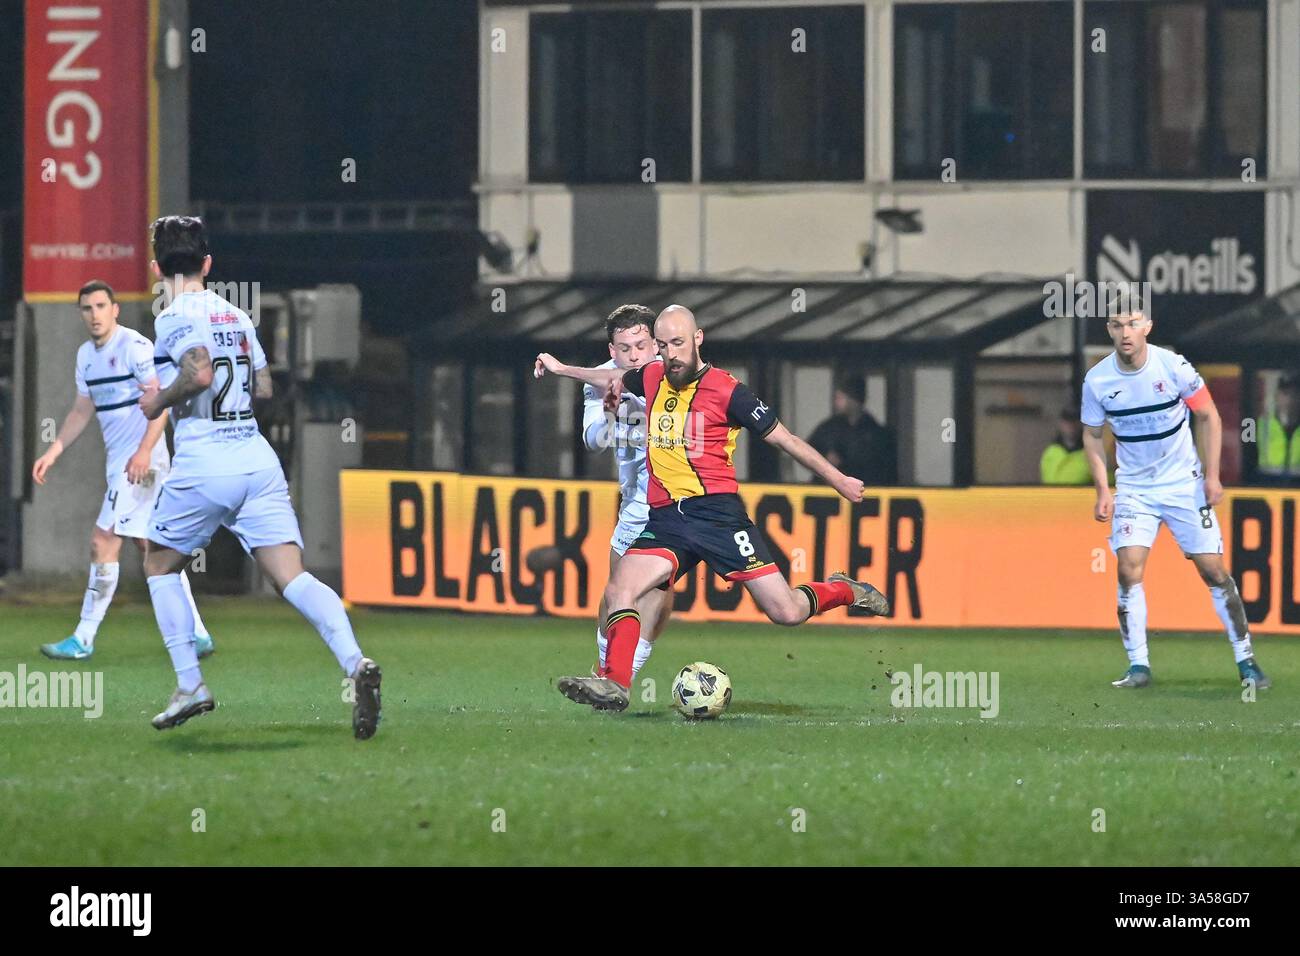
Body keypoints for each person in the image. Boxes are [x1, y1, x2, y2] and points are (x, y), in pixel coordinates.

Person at [537, 305, 891, 713]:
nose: (671, 354)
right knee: (620, 588)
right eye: (665, 345)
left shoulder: (729, 390)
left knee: (787, 611)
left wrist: (839, 480)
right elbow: (610, 376)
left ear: (698, 339)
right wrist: (563, 369)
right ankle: (615, 684)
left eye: (678, 343)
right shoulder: (652, 377)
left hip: (719, 518)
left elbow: (786, 439)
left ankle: (845, 589)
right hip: (668, 519)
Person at [137, 215, 382, 736]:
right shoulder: (237, 315)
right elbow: (265, 387)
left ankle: (190, 685)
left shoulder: (173, 314)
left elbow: (199, 371)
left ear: (158, 267)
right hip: (254, 455)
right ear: (208, 263)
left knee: (158, 564)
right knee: (292, 576)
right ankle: (356, 662)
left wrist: (156, 399)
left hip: (206, 458)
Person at [1081, 307, 1268, 690]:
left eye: (1133, 323)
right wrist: (1104, 489)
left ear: (1147, 326)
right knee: (1128, 568)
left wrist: (1212, 477)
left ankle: (1247, 660)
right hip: (1134, 487)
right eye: (1117, 325)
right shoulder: (1097, 380)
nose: (1125, 332)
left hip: (1183, 484)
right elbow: (1092, 435)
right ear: (1109, 330)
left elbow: (1209, 416)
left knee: (1213, 571)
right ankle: (1138, 666)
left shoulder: (1173, 367)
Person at [31, 279, 212, 661]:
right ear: (81, 314)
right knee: (151, 547)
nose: (94, 315)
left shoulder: (135, 347)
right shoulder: (85, 357)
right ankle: (197, 632)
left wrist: (145, 452)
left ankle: (83, 638)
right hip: (122, 464)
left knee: (102, 541)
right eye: (87, 308)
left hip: (142, 465)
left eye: (101, 306)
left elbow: (160, 403)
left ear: (114, 310)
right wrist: (54, 451)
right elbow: (82, 410)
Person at [576, 305, 673, 686]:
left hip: (683, 499)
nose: (634, 355)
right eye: (624, 348)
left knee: (659, 595)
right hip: (635, 502)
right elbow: (592, 441)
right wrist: (610, 414)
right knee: (618, 591)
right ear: (612, 349)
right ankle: (607, 671)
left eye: (641, 345)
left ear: (655, 343)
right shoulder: (599, 380)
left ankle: (619, 678)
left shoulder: (673, 373)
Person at [807, 373, 896, 486]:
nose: (836, 403)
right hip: (828, 493)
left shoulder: (876, 433)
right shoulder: (829, 427)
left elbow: (881, 469)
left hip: (862, 493)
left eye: (840, 398)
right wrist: (824, 460)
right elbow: (808, 450)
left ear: (853, 400)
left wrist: (847, 463)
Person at [1256, 372, 1300, 483]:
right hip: (1266, 481)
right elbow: (1247, 453)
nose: (1290, 399)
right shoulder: (1260, 423)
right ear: (1277, 396)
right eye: (1285, 394)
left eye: (1295, 394)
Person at [1040, 404, 1092, 485]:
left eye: (1074, 421)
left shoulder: (1092, 454)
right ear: (1061, 424)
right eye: (1067, 421)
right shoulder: (1050, 452)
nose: (1071, 425)